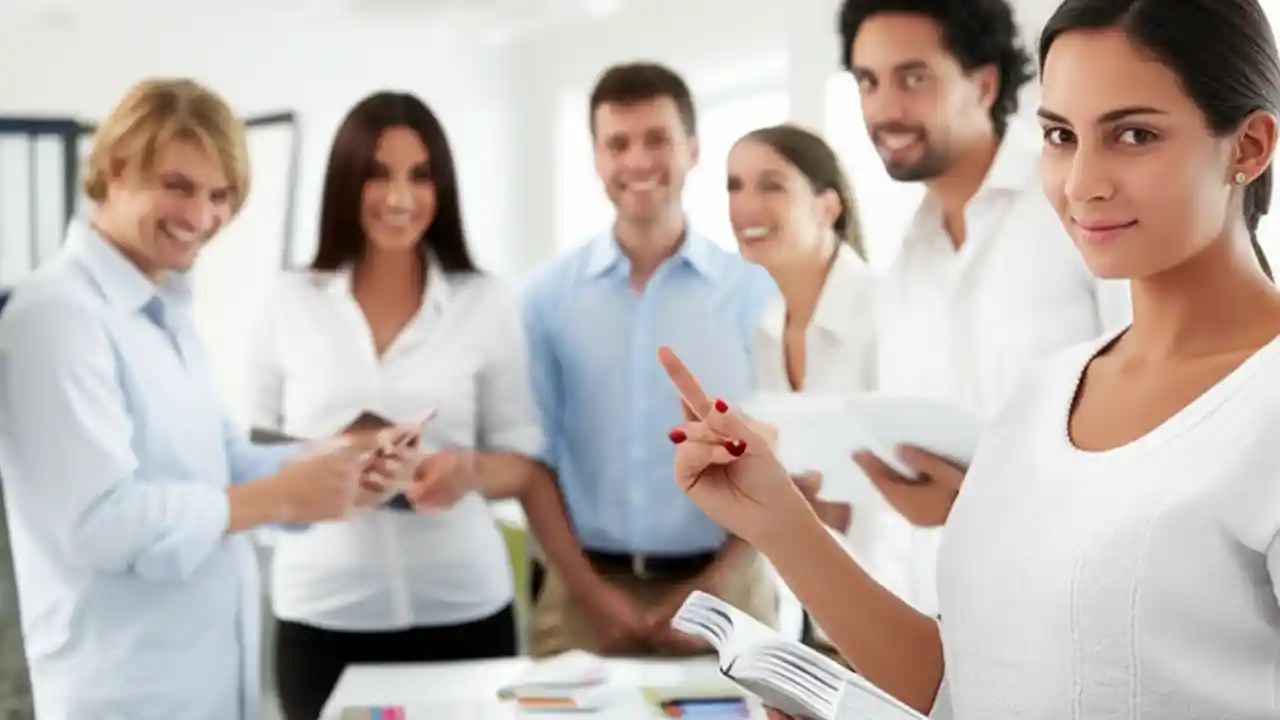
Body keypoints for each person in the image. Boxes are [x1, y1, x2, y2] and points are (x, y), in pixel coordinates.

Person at [661, 0, 1280, 716]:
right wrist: (778, 520)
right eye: (1059, 135)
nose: (1082, 183)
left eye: (1134, 135)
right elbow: (961, 682)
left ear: (1249, 146)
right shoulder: (1044, 395)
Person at [0, 78, 419, 719]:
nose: (201, 217)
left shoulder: (164, 309)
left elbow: (222, 459)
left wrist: (337, 464)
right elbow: (100, 523)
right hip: (126, 698)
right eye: (178, 186)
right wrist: (280, 497)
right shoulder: (55, 315)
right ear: (114, 169)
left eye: (220, 195)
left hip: (212, 689)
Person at [249, 91, 554, 720]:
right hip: (324, 614)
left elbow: (522, 459)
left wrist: (466, 471)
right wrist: (329, 470)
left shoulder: (485, 302)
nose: (400, 198)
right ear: (345, 182)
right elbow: (250, 453)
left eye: (420, 176)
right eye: (378, 174)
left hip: (463, 609)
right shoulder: (288, 302)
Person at [837, 0, 1131, 615]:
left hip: (1084, 609)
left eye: (912, 78)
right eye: (868, 81)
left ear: (985, 82)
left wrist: (982, 502)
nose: (884, 109)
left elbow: (1157, 432)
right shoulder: (904, 267)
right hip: (950, 630)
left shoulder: (1083, 210)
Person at [521, 62, 780, 657]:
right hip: (582, 597)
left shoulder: (755, 293)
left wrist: (713, 587)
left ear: (692, 150)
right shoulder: (545, 299)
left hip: (729, 591)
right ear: (595, 158)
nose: (637, 162)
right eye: (618, 143)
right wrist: (590, 594)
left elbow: (778, 459)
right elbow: (532, 463)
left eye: (657, 140)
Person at [727, 124, 906, 652]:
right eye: (734, 186)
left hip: (898, 611)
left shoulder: (886, 310)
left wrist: (780, 451)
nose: (745, 205)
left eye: (772, 186)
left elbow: (908, 477)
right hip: (814, 614)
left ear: (829, 206)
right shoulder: (767, 326)